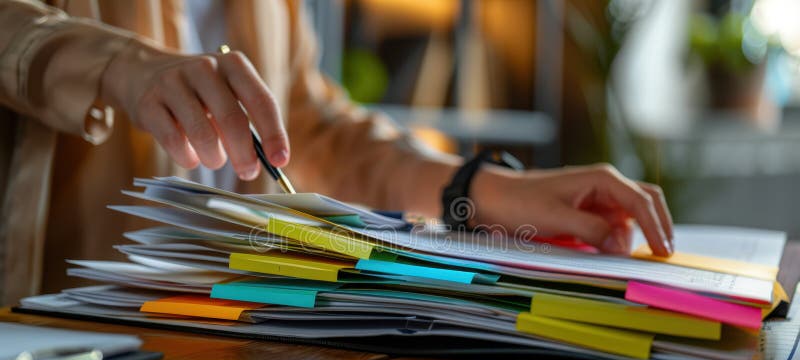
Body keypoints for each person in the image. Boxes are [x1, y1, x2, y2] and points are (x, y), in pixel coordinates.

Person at [0, 0, 673, 305]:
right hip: (55, 338)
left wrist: (478, 186)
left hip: (235, 333)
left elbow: (308, 123)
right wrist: (121, 64)